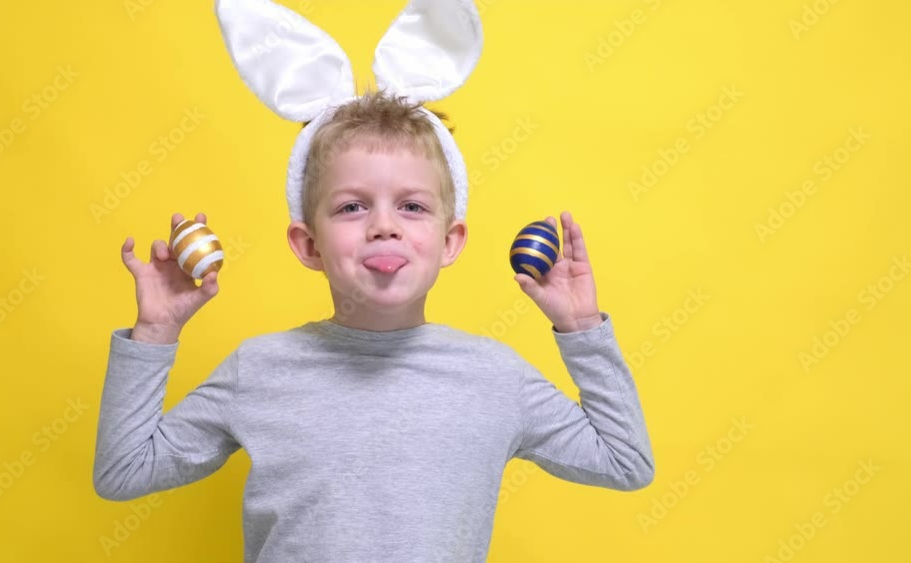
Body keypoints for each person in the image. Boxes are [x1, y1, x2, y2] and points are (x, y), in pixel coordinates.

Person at [94, 2, 653, 562]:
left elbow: (625, 461)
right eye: (352, 206)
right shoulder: (258, 371)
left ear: (449, 241)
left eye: (411, 206)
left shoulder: (493, 377)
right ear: (308, 245)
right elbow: (123, 472)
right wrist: (155, 334)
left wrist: (582, 330)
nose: (384, 225)